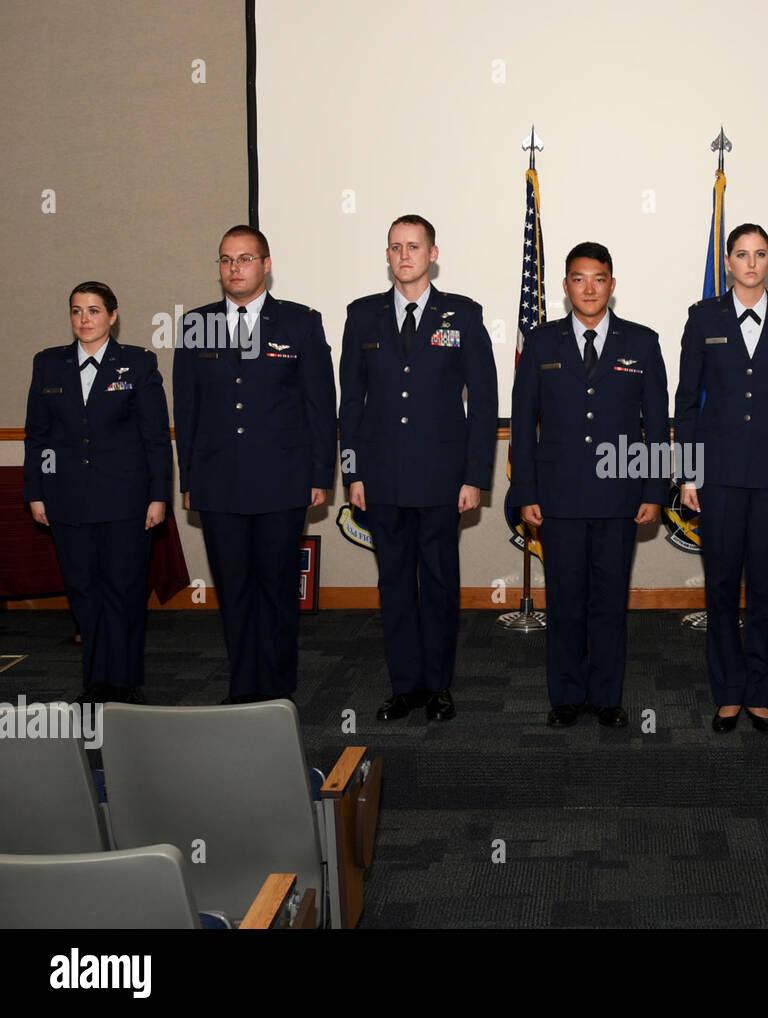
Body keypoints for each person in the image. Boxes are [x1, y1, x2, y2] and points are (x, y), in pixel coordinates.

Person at [339, 214, 497, 722]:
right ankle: (404, 687)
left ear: (433, 254)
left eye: (414, 246)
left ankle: (439, 685)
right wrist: (352, 473)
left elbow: (486, 402)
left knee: (440, 583)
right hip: (381, 478)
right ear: (387, 256)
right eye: (395, 247)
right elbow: (351, 403)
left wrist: (475, 476)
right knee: (394, 585)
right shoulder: (362, 316)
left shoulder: (463, 315)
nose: (404, 255)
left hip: (443, 479)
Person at [173, 225, 337, 703]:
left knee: (277, 591)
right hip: (218, 483)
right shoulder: (195, 325)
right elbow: (187, 409)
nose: (234, 269)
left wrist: (319, 474)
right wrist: (190, 478)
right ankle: (244, 688)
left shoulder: (300, 322)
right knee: (235, 592)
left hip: (282, 481)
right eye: (226, 260)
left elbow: (319, 405)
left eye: (245, 259)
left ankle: (279, 688)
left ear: (265, 266)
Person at [510, 242, 669, 727]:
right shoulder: (540, 343)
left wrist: (653, 491)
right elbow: (522, 423)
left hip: (620, 497)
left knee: (608, 602)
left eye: (599, 278)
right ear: (564, 286)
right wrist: (527, 491)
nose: (589, 288)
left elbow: (658, 425)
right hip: (557, 498)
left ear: (612, 285)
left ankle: (606, 697)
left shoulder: (642, 342)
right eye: (579, 278)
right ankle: (565, 697)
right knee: (565, 602)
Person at [673, 224, 768, 733]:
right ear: (728, 263)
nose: (751, 263)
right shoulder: (703, 317)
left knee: (762, 588)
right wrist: (688, 472)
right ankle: (727, 691)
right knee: (720, 587)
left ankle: (758, 691)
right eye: (741, 254)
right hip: (719, 474)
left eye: (760, 255)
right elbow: (686, 400)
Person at [24, 281, 172, 704]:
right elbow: (37, 436)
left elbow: (156, 437)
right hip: (68, 500)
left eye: (93, 310)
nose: (84, 320)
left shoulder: (138, 364)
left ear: (112, 315)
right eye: (76, 311)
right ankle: (96, 681)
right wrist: (35, 491)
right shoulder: (49, 364)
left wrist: (158, 495)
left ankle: (125, 682)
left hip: (126, 501)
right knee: (84, 592)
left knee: (123, 591)